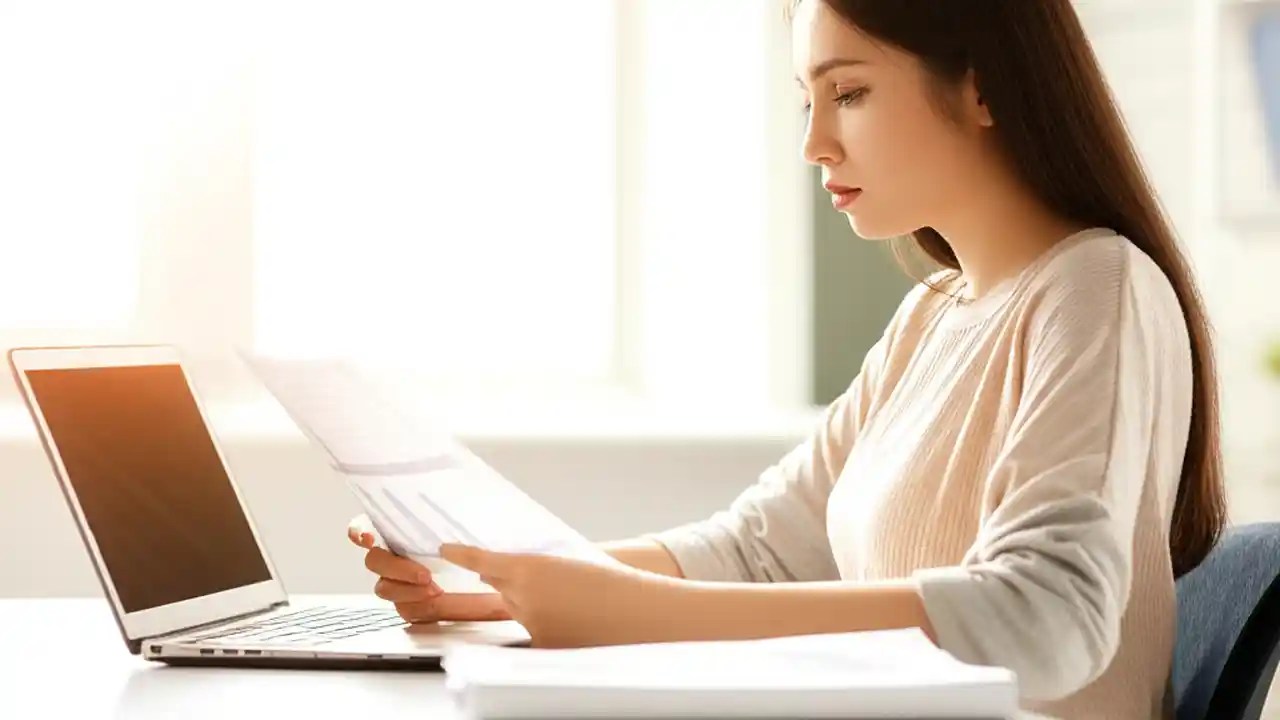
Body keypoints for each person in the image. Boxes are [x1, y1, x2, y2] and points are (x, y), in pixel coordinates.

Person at [348, 1, 1226, 716]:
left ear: (983, 86)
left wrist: (645, 617)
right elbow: (762, 552)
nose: (815, 143)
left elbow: (1047, 622)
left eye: (848, 93)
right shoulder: (933, 317)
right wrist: (502, 580)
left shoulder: (1095, 286)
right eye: (807, 101)